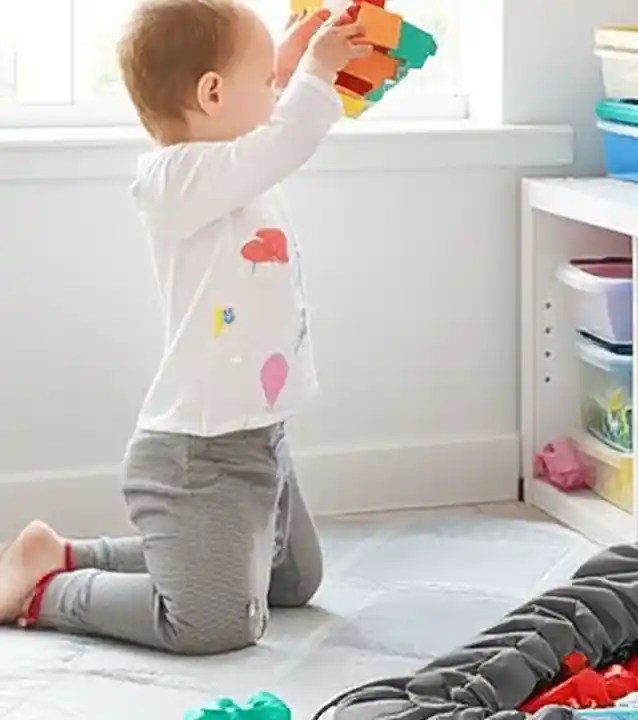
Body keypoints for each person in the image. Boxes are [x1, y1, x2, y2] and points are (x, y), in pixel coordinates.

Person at [0, 0, 369, 654]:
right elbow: (282, 140)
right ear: (212, 93)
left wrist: (281, 68)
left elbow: (261, 135)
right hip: (197, 453)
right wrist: (314, 77)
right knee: (214, 623)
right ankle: (46, 592)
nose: (276, 94)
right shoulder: (173, 179)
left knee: (293, 582)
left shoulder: (223, 166)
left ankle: (62, 552)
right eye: (264, 84)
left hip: (257, 436)